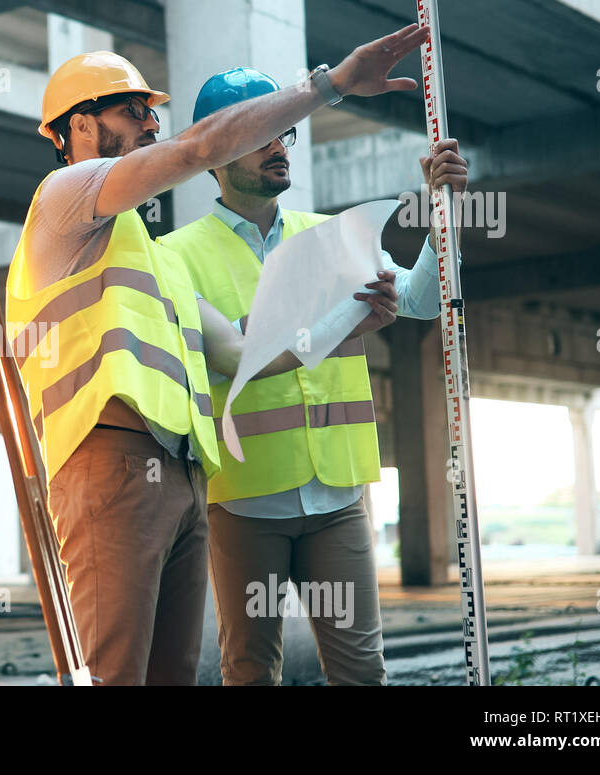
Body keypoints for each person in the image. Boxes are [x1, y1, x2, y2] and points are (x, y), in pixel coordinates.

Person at [5, 24, 429, 685]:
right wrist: (333, 83)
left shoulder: (146, 250)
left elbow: (241, 349)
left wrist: (354, 318)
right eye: (133, 109)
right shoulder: (63, 203)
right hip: (111, 462)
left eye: (152, 110)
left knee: (171, 674)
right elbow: (199, 146)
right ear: (78, 126)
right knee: (116, 673)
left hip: (182, 477)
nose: (151, 123)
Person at [158, 67, 468, 685]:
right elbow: (233, 358)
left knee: (362, 673)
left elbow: (422, 301)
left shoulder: (330, 238)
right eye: (264, 134)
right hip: (245, 501)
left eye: (285, 133)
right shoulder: (174, 258)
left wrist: (441, 214)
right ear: (216, 149)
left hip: (339, 496)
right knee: (249, 670)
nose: (280, 146)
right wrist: (342, 325)